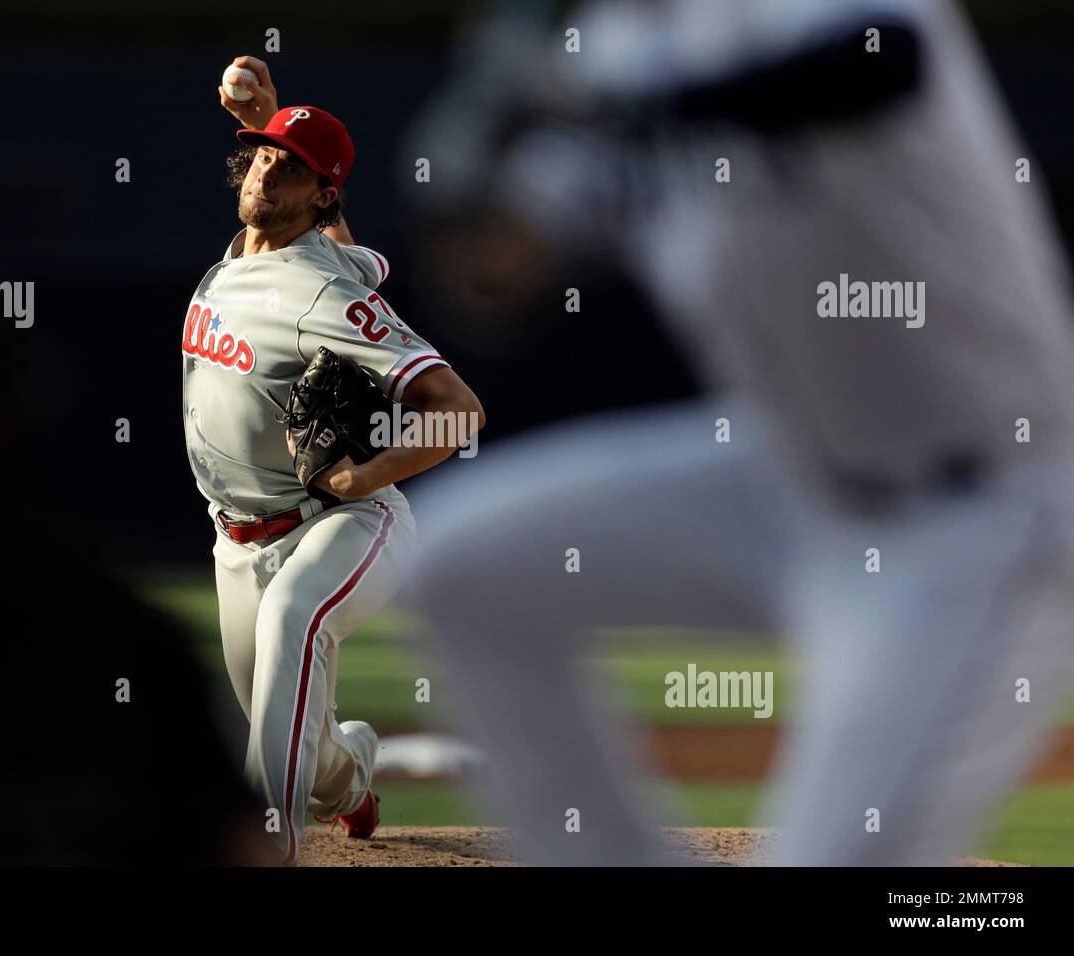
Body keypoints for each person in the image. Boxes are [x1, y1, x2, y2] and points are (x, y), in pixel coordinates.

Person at [404, 0, 1074, 865]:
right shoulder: (610, 55)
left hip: (980, 509)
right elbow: (499, 273)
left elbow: (881, 63)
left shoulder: (787, 19)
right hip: (786, 474)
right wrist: (461, 173)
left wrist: (624, 104)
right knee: (464, 566)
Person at [185, 57, 484, 864]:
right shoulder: (256, 247)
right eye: (263, 156)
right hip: (236, 541)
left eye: (291, 168)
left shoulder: (328, 294)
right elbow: (331, 237)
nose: (266, 172)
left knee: (295, 617)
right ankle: (348, 777)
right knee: (291, 733)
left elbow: (459, 412)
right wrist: (276, 118)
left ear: (323, 196)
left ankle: (267, 848)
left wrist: (357, 478)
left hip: (344, 521)